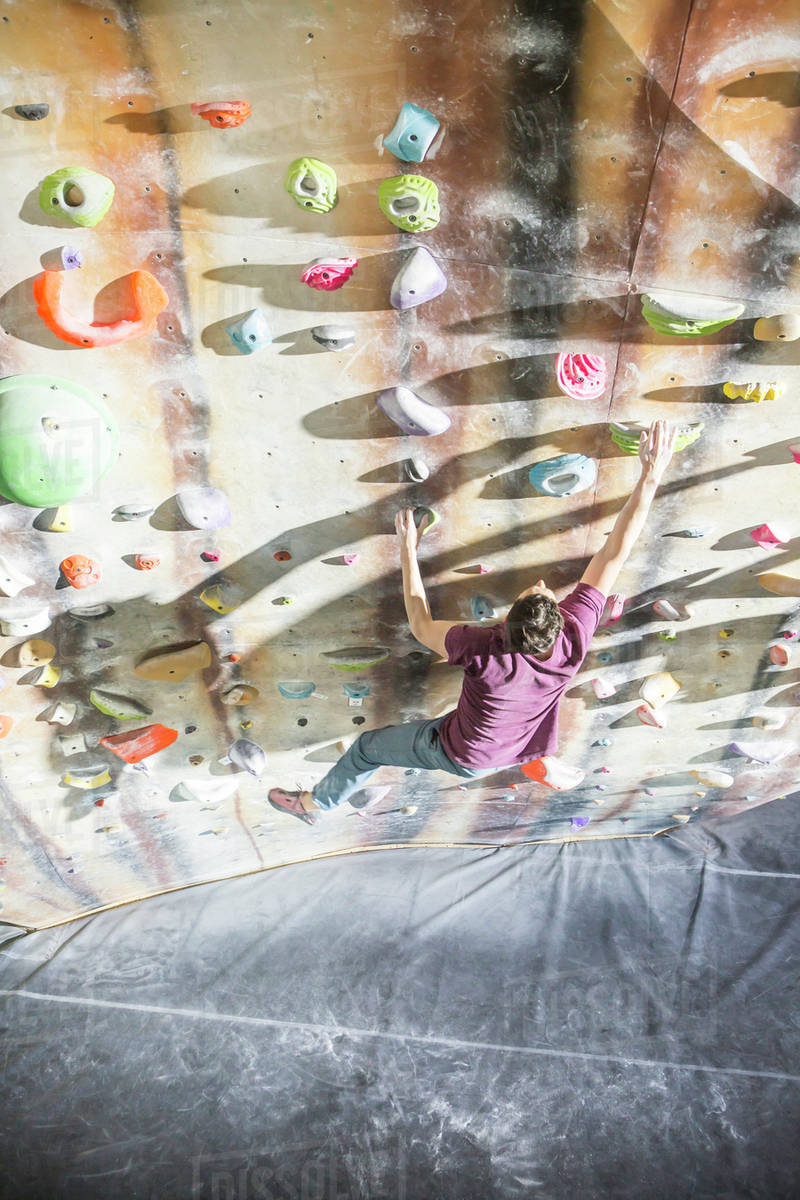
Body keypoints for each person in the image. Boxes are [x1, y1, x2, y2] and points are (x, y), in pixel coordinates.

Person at [268, 420, 677, 825]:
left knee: (366, 748)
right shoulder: (574, 635)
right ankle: (537, 757)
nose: (539, 582)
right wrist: (650, 476)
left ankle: (314, 805)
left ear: (504, 625)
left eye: (534, 590)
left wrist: (408, 550)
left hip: (462, 754)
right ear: (557, 620)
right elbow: (613, 555)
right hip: (511, 743)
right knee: (486, 718)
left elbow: (419, 620)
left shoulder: (481, 648)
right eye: (544, 591)